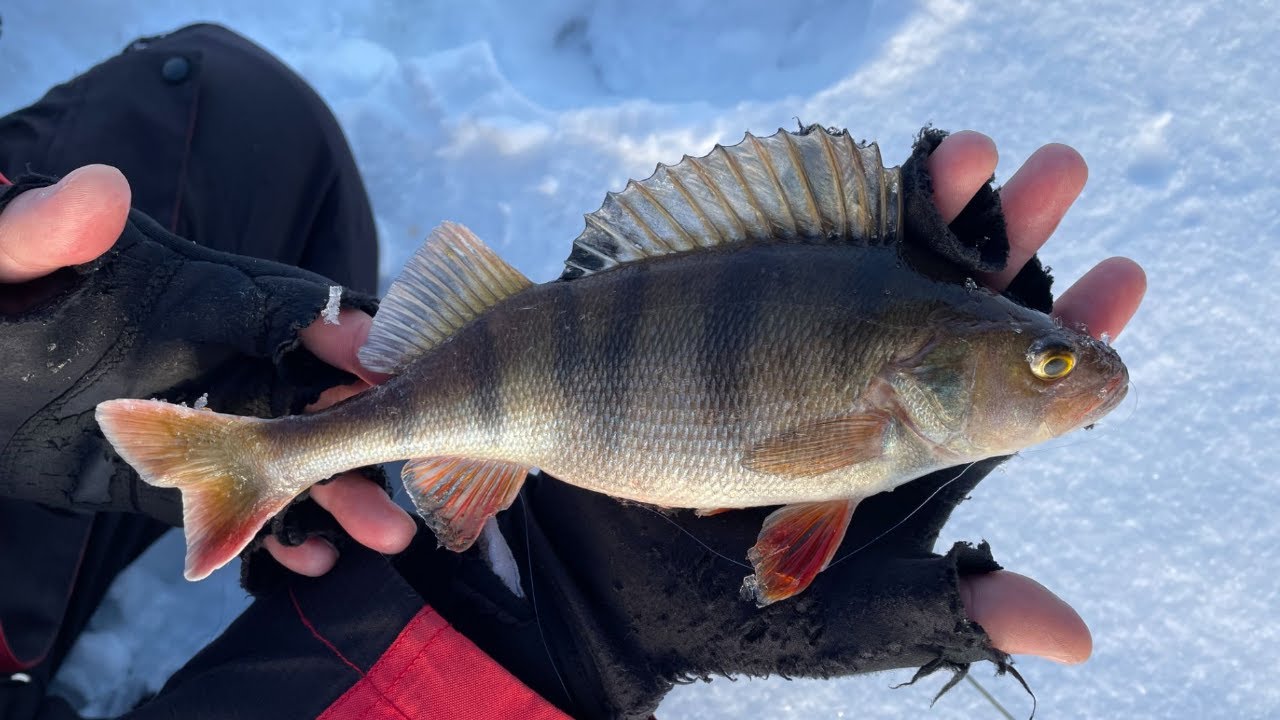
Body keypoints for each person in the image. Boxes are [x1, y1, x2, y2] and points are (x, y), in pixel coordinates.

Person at [0, 23, 1145, 720]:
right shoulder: (880, 412)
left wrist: (26, 332)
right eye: (1046, 365)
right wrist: (534, 647)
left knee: (233, 106)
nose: (1074, 375)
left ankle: (229, 435)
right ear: (929, 368)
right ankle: (260, 464)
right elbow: (795, 474)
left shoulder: (899, 384)